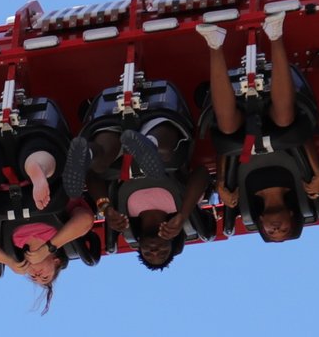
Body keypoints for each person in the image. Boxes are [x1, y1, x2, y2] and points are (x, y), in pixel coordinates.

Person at [0, 95, 97, 307]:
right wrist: (49, 247)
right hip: (39, 155)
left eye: (33, 278)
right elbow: (86, 219)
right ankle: (37, 171)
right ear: (57, 262)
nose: (36, 275)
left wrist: (8, 261)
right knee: (41, 163)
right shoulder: (64, 233)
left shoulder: (7, 241)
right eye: (44, 277)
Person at [201, 0, 319, 243]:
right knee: (286, 121)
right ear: (293, 216)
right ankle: (275, 34)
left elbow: (226, 154)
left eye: (271, 232)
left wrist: (221, 183)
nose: (275, 228)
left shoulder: (240, 196)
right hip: (284, 129)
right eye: (282, 230)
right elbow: (304, 142)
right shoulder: (305, 187)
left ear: (260, 222)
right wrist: (318, 173)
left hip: (243, 141)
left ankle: (214, 43)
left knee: (227, 127)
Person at [65, 73, 212, 270]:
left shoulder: (123, 213)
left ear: (139, 246)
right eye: (162, 252)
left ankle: (87, 154)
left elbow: (93, 179)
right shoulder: (178, 206)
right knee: (165, 154)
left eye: (148, 253)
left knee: (99, 164)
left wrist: (106, 208)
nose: (155, 249)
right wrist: (183, 214)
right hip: (160, 126)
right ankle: (148, 145)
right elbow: (202, 172)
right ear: (173, 243)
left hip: (119, 146)